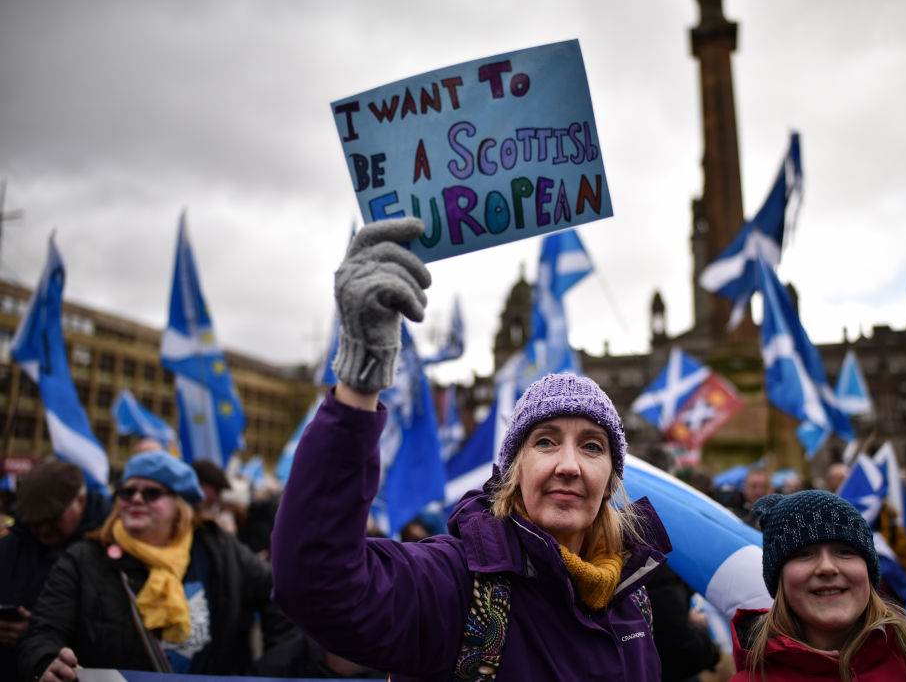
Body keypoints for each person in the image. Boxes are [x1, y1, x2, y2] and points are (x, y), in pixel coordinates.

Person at [272, 217, 672, 680]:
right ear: (512, 470)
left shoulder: (632, 593)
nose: (569, 465)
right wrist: (360, 379)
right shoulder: (455, 584)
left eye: (592, 447)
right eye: (545, 442)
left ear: (610, 480)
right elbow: (317, 585)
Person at [19, 450, 295, 680]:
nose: (136, 499)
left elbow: (278, 593)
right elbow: (45, 630)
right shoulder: (85, 558)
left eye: (151, 492)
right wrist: (46, 661)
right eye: (127, 492)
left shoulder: (218, 548)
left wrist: (268, 669)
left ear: (179, 505)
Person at [728, 489, 906, 681]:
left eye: (845, 551)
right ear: (778, 579)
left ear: (869, 572)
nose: (828, 567)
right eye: (803, 554)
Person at [0, 460, 111, 673]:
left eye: (51, 520)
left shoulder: (109, 549)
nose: (42, 530)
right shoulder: (10, 546)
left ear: (81, 500)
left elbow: (113, 633)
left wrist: (37, 635)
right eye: (34, 523)